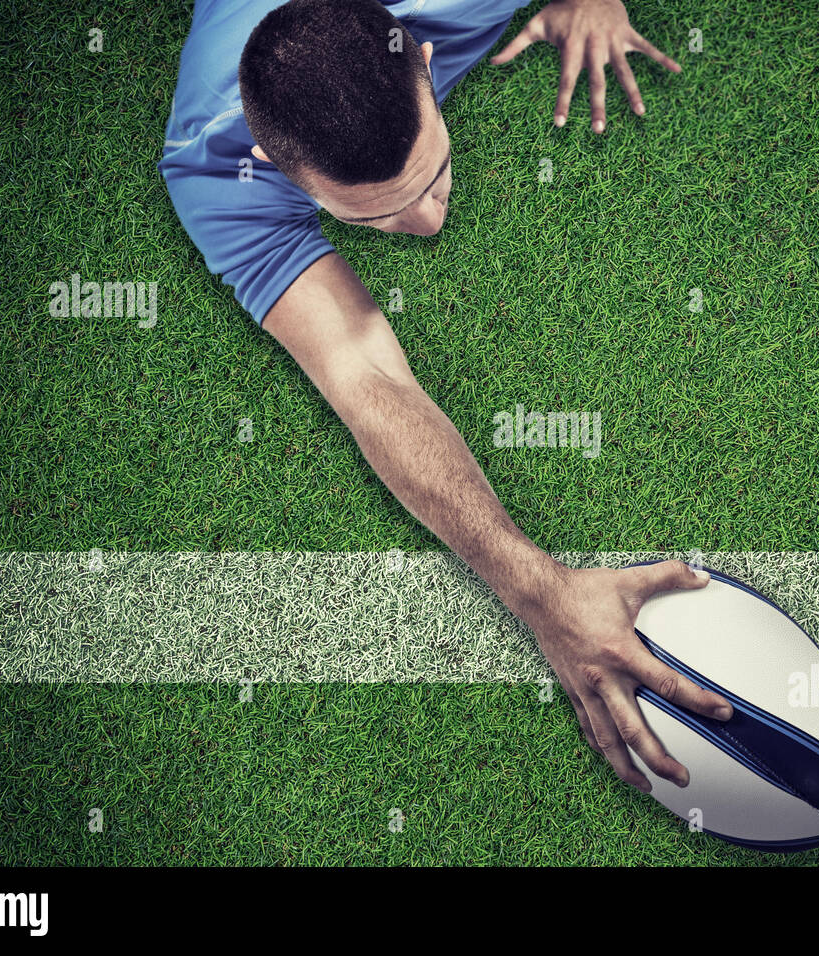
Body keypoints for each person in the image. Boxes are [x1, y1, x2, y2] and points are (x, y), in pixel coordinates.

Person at [159, 0, 731, 794]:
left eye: (432, 175)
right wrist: (540, 592)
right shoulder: (217, 170)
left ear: (424, 60)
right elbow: (366, 378)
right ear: (272, 163)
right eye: (375, 216)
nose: (428, 222)